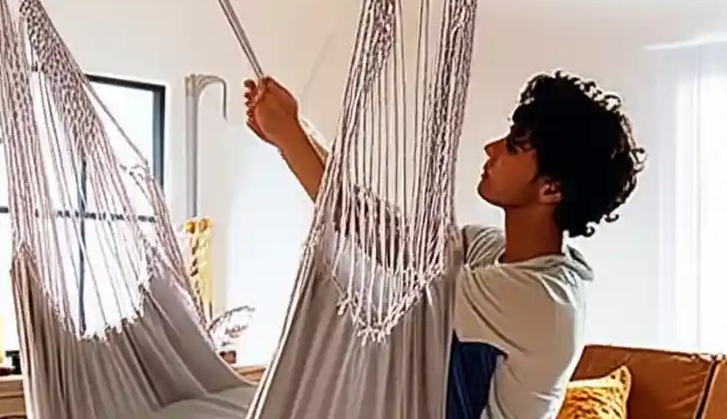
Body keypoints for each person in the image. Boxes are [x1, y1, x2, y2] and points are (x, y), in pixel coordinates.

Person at [243, 71, 645, 419]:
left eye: (513, 146)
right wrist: (292, 135)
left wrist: (291, 136)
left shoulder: (539, 301)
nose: (492, 149)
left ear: (551, 188)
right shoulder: (503, 255)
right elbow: (388, 233)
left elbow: (395, 298)